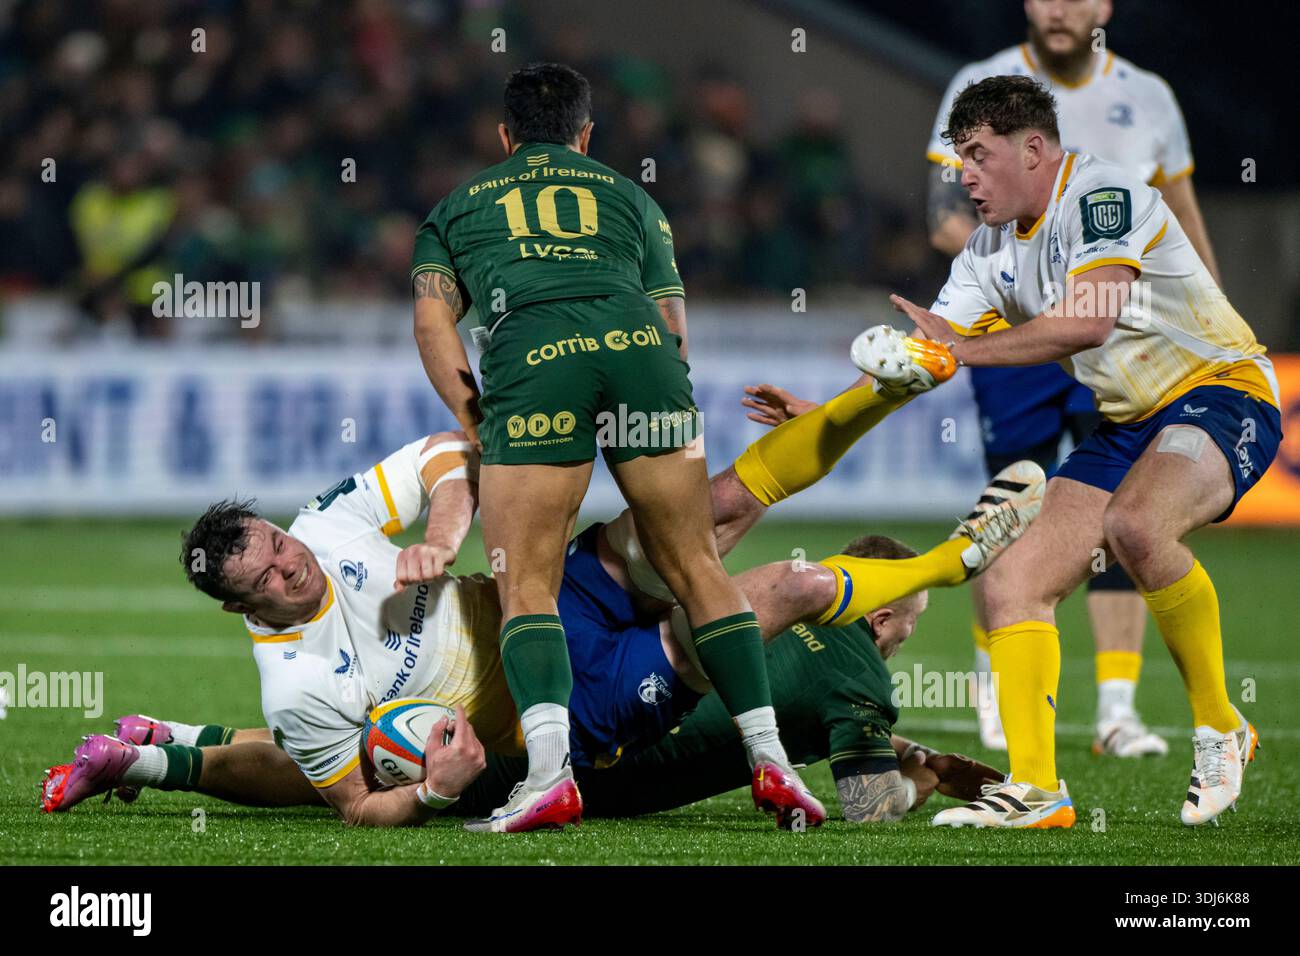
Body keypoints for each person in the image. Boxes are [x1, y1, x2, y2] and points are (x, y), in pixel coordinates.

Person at [42, 336, 1041, 830]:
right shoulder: (296, 685)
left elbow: (444, 449)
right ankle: (945, 556)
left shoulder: (325, 523)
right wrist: (430, 794)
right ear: (242, 605)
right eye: (265, 572)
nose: (288, 561)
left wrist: (442, 529)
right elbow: (352, 800)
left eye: (274, 540)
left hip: (535, 601)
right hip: (555, 709)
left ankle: (889, 408)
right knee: (768, 584)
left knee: (712, 514)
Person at [411, 61, 810, 829]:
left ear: (504, 137)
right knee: (694, 563)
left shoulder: (456, 209)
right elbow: (672, 326)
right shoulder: (634, 198)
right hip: (641, 351)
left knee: (528, 583)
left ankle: (550, 776)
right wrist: (656, 394)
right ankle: (772, 762)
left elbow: (434, 323)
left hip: (534, 360)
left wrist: (475, 418)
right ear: (586, 136)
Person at [893, 75, 1280, 828]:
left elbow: (1087, 324)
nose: (962, 175)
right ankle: (1036, 791)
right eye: (957, 157)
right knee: (1012, 580)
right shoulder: (986, 252)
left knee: (1137, 526)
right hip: (1130, 421)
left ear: (1033, 148)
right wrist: (827, 408)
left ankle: (1219, 725)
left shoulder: (1105, 196)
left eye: (977, 154)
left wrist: (962, 352)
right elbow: (924, 353)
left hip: (1223, 389)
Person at [925, 0, 1221, 757]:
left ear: (1105, 6)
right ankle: (999, 685)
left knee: (1128, 509)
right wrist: (1027, 281)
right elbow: (945, 217)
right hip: (1023, 337)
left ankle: (1118, 711)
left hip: (1119, 340)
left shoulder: (1149, 96)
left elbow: (1180, 209)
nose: (1059, 8)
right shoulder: (982, 82)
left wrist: (1207, 320)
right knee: (1014, 502)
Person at [84, 605, 1006, 827]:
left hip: (579, 676)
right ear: (883, 622)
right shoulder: (861, 671)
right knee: (373, 779)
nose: (896, 650)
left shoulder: (763, 617)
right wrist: (918, 774)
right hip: (603, 760)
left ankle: (170, 739)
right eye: (902, 636)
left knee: (377, 738)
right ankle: (157, 762)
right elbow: (868, 807)